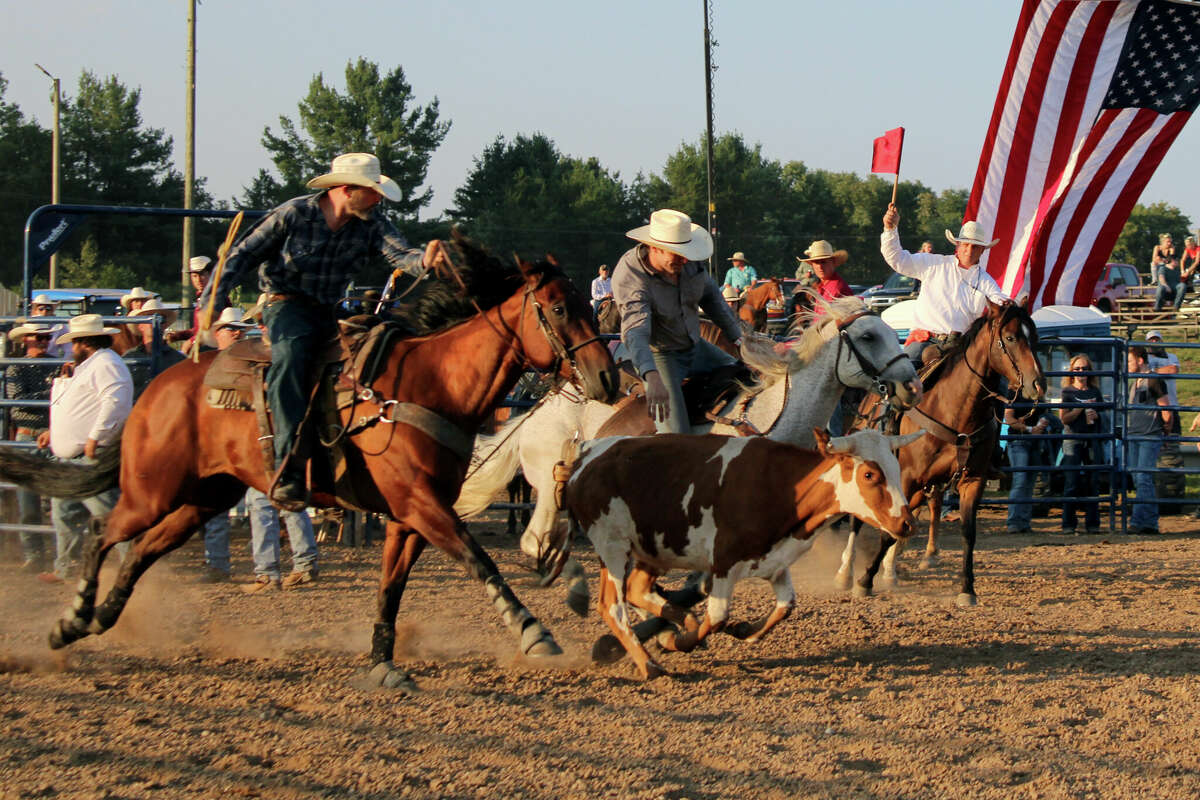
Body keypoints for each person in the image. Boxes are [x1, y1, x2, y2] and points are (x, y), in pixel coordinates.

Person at [201, 153, 452, 508]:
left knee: (380, 347)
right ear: (347, 190)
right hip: (285, 304)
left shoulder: (371, 221)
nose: (378, 199)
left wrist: (424, 261)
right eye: (373, 192)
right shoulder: (294, 214)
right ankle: (287, 465)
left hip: (330, 309)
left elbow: (400, 254)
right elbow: (242, 254)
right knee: (291, 356)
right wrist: (214, 297)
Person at [612, 209, 743, 434]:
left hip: (696, 346)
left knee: (743, 375)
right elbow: (636, 331)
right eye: (677, 254)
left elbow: (711, 296)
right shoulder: (631, 277)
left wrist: (740, 338)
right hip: (661, 355)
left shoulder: (689, 263)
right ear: (654, 248)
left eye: (686, 253)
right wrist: (651, 376)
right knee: (677, 436)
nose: (684, 259)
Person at [35, 315, 133, 584]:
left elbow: (117, 402)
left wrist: (96, 437)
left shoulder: (106, 363)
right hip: (73, 457)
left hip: (88, 455)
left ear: (84, 342)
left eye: (75, 342)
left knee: (108, 514)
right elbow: (80, 408)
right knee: (64, 513)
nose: (71, 348)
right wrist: (53, 433)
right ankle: (66, 567)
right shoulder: (92, 365)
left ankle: (131, 565)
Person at [880, 204, 1010, 368]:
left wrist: (1007, 303)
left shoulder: (986, 282)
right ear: (958, 245)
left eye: (975, 246)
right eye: (965, 245)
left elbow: (999, 299)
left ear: (983, 250)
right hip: (924, 341)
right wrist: (890, 229)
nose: (969, 250)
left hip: (960, 346)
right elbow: (897, 259)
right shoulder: (933, 264)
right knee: (902, 379)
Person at [5, 323, 57, 572]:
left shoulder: (55, 364)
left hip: (50, 435)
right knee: (28, 502)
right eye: (39, 337)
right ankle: (34, 554)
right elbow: (18, 400)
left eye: (46, 337)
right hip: (30, 435)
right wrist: (52, 390)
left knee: (58, 500)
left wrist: (46, 394)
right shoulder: (17, 367)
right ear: (27, 339)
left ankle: (59, 555)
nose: (44, 341)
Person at [1126, 345, 1171, 535]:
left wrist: (1165, 431)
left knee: (1143, 478)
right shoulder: (1134, 382)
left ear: (1140, 360)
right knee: (1140, 478)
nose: (1127, 365)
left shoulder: (1153, 380)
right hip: (1135, 434)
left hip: (1149, 435)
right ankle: (1150, 522)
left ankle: (1138, 521)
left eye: (1129, 361)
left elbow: (1166, 408)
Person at [1059, 354, 1104, 534]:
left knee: (1094, 481)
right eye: (1077, 369)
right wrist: (1079, 410)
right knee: (1071, 481)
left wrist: (1097, 415)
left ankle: (1093, 524)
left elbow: (1103, 415)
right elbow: (1064, 419)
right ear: (1071, 372)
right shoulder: (1068, 392)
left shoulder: (1095, 392)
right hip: (1073, 437)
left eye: (1084, 369)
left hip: (1092, 438)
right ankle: (1068, 524)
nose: (1081, 372)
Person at [1145, 331, 1186, 508]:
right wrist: (1156, 372)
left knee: (1171, 447)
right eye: (1151, 340)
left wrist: (1151, 372)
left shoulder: (1172, 356)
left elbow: (1173, 369)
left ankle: (1170, 494)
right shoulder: (1144, 357)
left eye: (1157, 339)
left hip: (1171, 406)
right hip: (1150, 411)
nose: (1154, 342)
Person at [1004, 401, 1053, 534]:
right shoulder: (1014, 394)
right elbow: (1008, 418)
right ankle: (1014, 521)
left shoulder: (1038, 394)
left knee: (1029, 482)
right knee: (1020, 481)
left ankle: (1023, 521)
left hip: (1034, 442)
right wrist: (1030, 429)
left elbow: (1045, 413)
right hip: (1019, 440)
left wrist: (1041, 423)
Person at [165, 256, 219, 351]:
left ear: (211, 275)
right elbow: (198, 329)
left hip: (213, 348)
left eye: (202, 274)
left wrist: (191, 342)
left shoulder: (216, 297)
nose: (198, 280)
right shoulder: (203, 298)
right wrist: (179, 335)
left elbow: (212, 329)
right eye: (195, 276)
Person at [798, 240, 854, 305]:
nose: (820, 267)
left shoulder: (836, 288)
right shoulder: (822, 285)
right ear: (812, 265)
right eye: (816, 262)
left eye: (823, 262)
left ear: (833, 263)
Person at [28, 294, 66, 358]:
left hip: (52, 363)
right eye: (41, 309)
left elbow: (69, 349)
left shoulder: (60, 327)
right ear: (35, 311)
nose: (44, 311)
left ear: (52, 311)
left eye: (48, 308)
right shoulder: (29, 325)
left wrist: (63, 364)